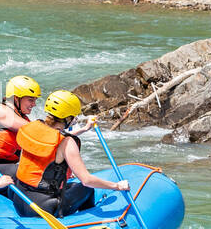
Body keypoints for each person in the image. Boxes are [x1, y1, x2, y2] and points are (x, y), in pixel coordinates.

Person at [9, 90, 128, 218]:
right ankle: (87, 222)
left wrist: (84, 129)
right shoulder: (67, 142)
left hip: (20, 199)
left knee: (71, 185)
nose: (75, 121)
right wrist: (117, 186)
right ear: (68, 118)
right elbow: (87, 180)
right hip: (43, 209)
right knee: (85, 188)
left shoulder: (32, 127)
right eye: (74, 118)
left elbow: (52, 139)